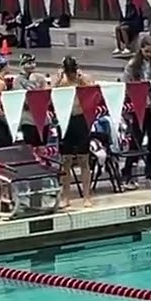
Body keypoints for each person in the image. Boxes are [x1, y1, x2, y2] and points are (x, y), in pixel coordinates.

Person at [122, 34, 151, 187]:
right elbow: (125, 83)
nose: (149, 54)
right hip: (139, 106)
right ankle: (129, 169)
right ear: (140, 50)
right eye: (146, 51)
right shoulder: (132, 65)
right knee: (136, 138)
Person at [53, 57, 95, 206]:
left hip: (81, 120)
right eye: (68, 71)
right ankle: (66, 197)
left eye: (72, 71)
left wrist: (81, 80)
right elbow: (51, 95)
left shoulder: (83, 78)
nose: (71, 74)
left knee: (84, 160)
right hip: (65, 121)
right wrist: (58, 81)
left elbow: (92, 92)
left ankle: (87, 196)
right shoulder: (59, 80)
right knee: (66, 161)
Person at [13, 54, 49, 146]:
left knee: (43, 146)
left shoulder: (40, 78)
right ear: (22, 65)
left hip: (43, 119)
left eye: (33, 62)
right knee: (31, 147)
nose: (32, 65)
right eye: (29, 63)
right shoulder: (18, 80)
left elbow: (47, 95)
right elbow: (22, 99)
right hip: (28, 120)